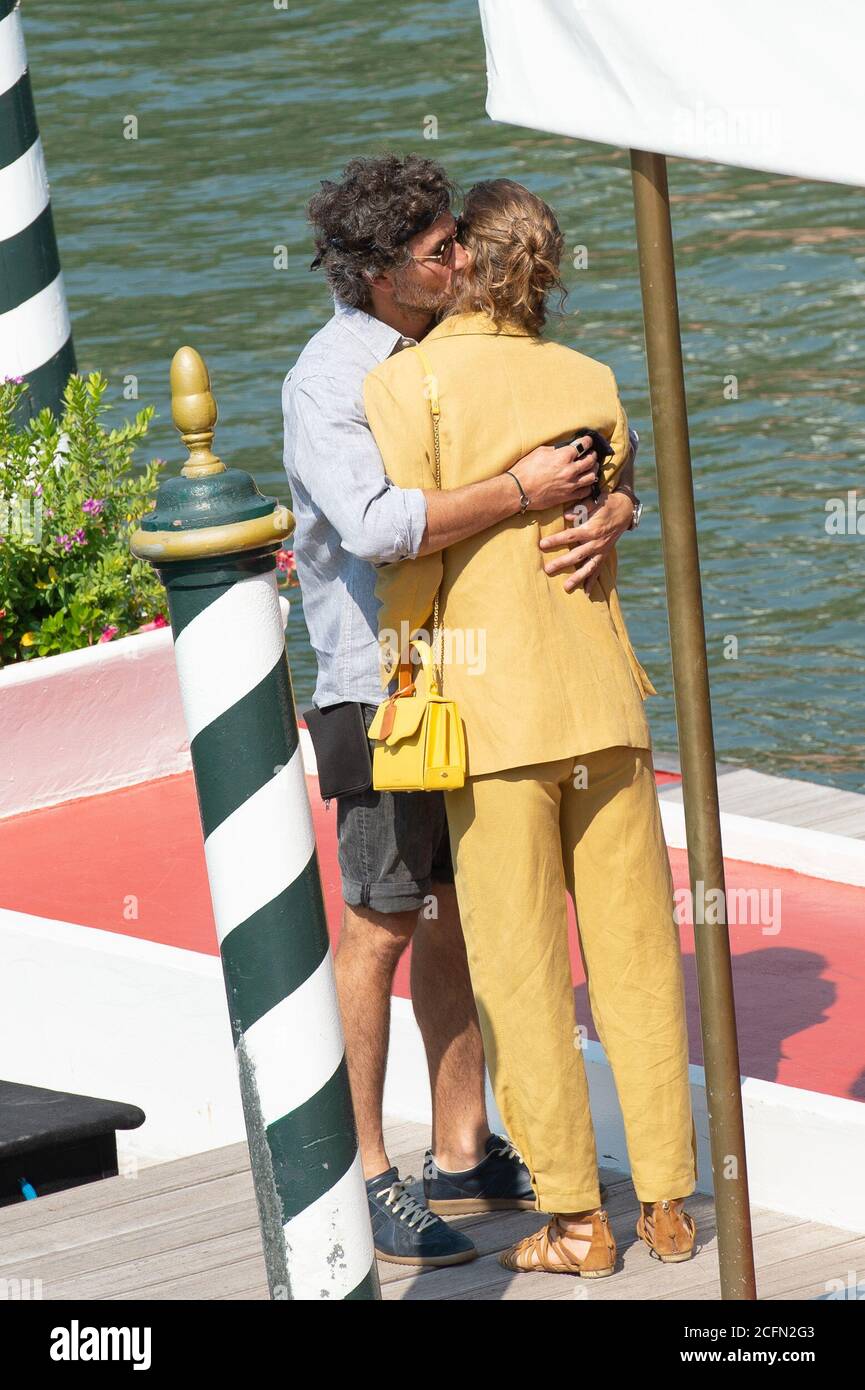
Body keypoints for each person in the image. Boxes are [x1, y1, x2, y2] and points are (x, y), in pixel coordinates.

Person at [282, 155, 639, 1267]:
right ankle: (361, 1174)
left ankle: (461, 1149)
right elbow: (383, 525)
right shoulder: (327, 381)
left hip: (473, 684)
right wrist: (519, 491)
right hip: (378, 685)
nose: (464, 258)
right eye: (442, 249)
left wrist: (612, 500)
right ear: (387, 273)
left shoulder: (452, 353)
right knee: (383, 922)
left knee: (450, 909)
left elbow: (592, 446)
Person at [364, 177, 698, 1277]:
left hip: (491, 714)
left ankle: (572, 1217)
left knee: (520, 971)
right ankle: (665, 1203)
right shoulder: (589, 379)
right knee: (639, 956)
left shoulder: (408, 384)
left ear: (461, 261)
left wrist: (403, 672)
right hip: (602, 701)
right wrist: (612, 509)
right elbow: (617, 498)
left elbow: (405, 549)